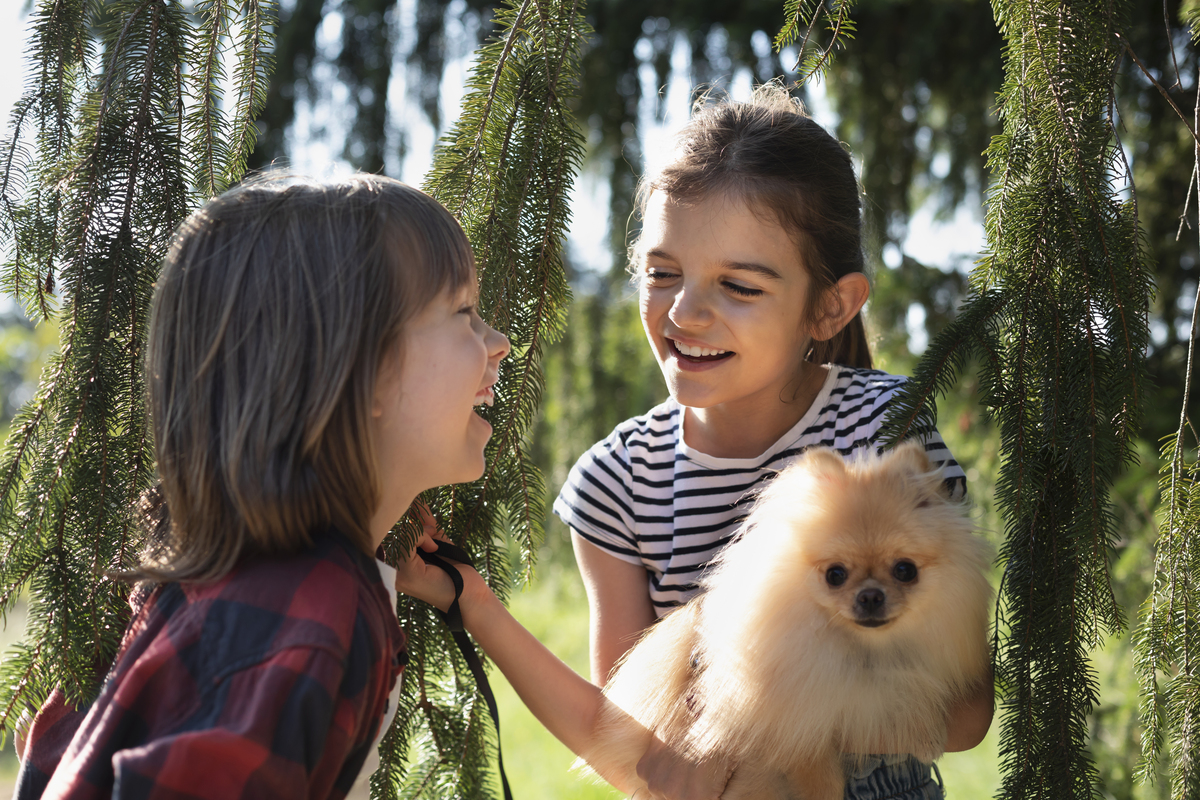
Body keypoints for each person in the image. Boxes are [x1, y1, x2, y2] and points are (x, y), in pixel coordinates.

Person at [549, 84, 994, 799]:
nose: (686, 312)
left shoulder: (882, 433)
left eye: (738, 286)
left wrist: (764, 717)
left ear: (830, 306)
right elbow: (633, 748)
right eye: (662, 274)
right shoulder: (617, 479)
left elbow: (966, 713)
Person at [13, 174, 511, 800]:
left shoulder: (235, 581)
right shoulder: (306, 613)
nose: (498, 342)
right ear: (361, 369)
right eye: (464, 312)